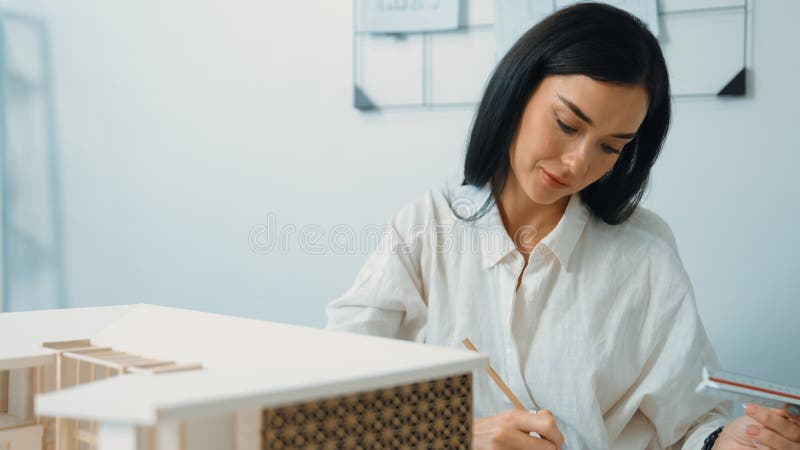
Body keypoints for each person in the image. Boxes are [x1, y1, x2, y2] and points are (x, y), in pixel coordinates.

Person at [326, 3, 800, 449]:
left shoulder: (644, 251)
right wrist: (459, 436)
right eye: (567, 124)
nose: (577, 163)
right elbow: (328, 398)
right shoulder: (426, 226)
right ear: (517, 93)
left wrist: (728, 440)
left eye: (610, 147)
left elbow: (692, 424)